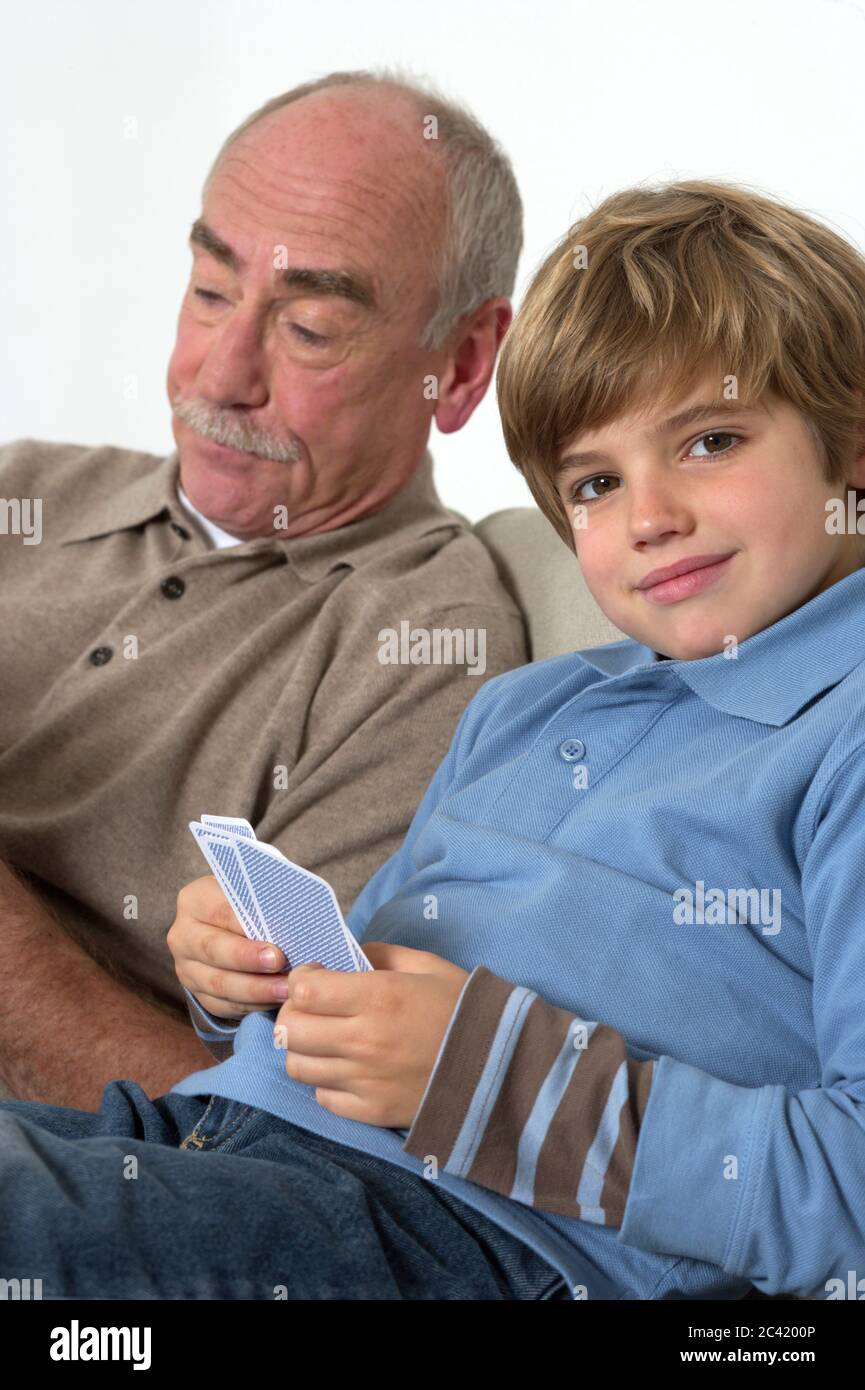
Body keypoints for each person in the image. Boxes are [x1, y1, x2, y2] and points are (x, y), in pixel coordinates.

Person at [3, 178, 865, 1301]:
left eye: (708, 441)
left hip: (458, 1242)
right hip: (217, 1144)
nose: (649, 514)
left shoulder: (840, 741)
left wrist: (477, 1077)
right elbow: (366, 1018)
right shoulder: (526, 709)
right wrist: (257, 981)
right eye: (596, 482)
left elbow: (843, 1185)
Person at [0, 68, 528, 1110]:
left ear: (460, 367)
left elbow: (261, 1144)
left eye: (310, 330)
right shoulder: (26, 487)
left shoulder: (425, 652)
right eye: (208, 291)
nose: (216, 373)